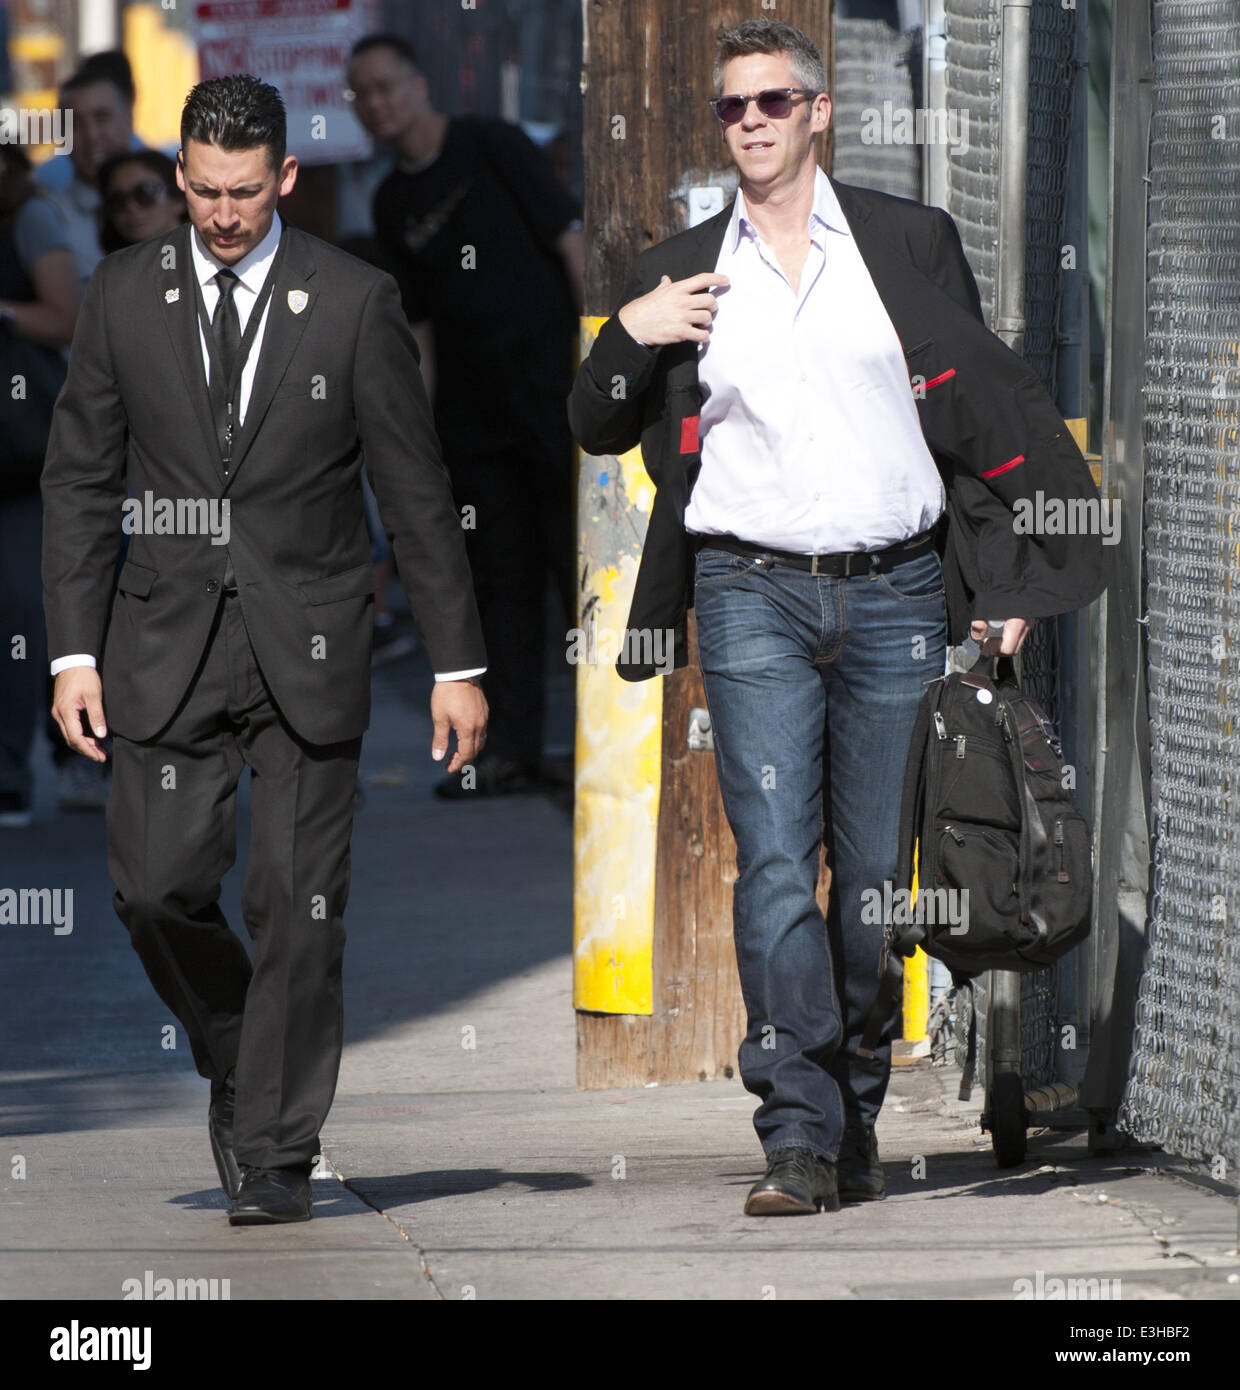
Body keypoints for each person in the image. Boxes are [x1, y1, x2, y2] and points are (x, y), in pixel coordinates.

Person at [568, 18, 1105, 1216]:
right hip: (747, 588)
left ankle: (855, 1092)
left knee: (870, 878)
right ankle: (797, 1131)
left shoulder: (909, 245)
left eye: (771, 101)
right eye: (730, 107)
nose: (749, 121)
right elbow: (597, 424)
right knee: (773, 865)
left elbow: (983, 427)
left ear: (817, 112)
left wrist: (1009, 591)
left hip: (899, 592)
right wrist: (626, 335)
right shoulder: (686, 268)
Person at [42, 74, 488, 1225]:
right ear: (178, 178)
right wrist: (70, 653)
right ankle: (243, 1050)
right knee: (154, 891)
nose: (223, 214)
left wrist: (456, 662)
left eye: (245, 192)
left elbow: (413, 483)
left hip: (313, 642)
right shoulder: (121, 295)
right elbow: (82, 479)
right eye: (203, 192)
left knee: (299, 907)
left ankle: (278, 1149)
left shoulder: (352, 299)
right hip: (162, 641)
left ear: (285, 177)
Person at [347, 31, 584, 798]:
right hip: (474, 426)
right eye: (364, 94)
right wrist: (414, 436)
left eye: (388, 85)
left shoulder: (491, 144)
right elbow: (418, 329)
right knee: (500, 587)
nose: (380, 103)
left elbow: (570, 243)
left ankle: (616, 752)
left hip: (556, 401)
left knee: (579, 576)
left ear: (419, 85)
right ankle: (510, 750)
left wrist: (602, 368)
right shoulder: (391, 200)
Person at [0, 144, 78, 828]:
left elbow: (65, 316)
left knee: (22, 609)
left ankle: (13, 771)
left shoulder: (27, 218)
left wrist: (3, 313)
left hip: (18, 449)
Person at [40, 54, 145, 293]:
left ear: (129, 117)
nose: (92, 135)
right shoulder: (48, 217)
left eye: (102, 117)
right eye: (75, 123)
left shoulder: (175, 192)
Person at [97, 149, 187, 252]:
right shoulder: (111, 266)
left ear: (178, 199)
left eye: (145, 193)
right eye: (117, 200)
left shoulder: (206, 256)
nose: (130, 207)